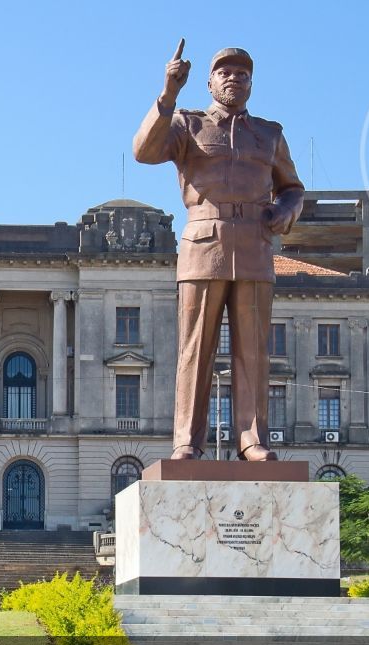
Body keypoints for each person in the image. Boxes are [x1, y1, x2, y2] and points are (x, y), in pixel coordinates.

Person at [133, 41, 304, 461]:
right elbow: (144, 151)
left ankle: (252, 439)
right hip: (203, 242)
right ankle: (187, 441)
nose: (234, 78)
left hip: (254, 244)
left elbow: (292, 186)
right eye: (225, 72)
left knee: (253, 351)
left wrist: (286, 208)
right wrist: (168, 94)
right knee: (196, 348)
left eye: (242, 73)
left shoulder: (269, 134)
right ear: (209, 82)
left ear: (251, 84)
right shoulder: (187, 124)